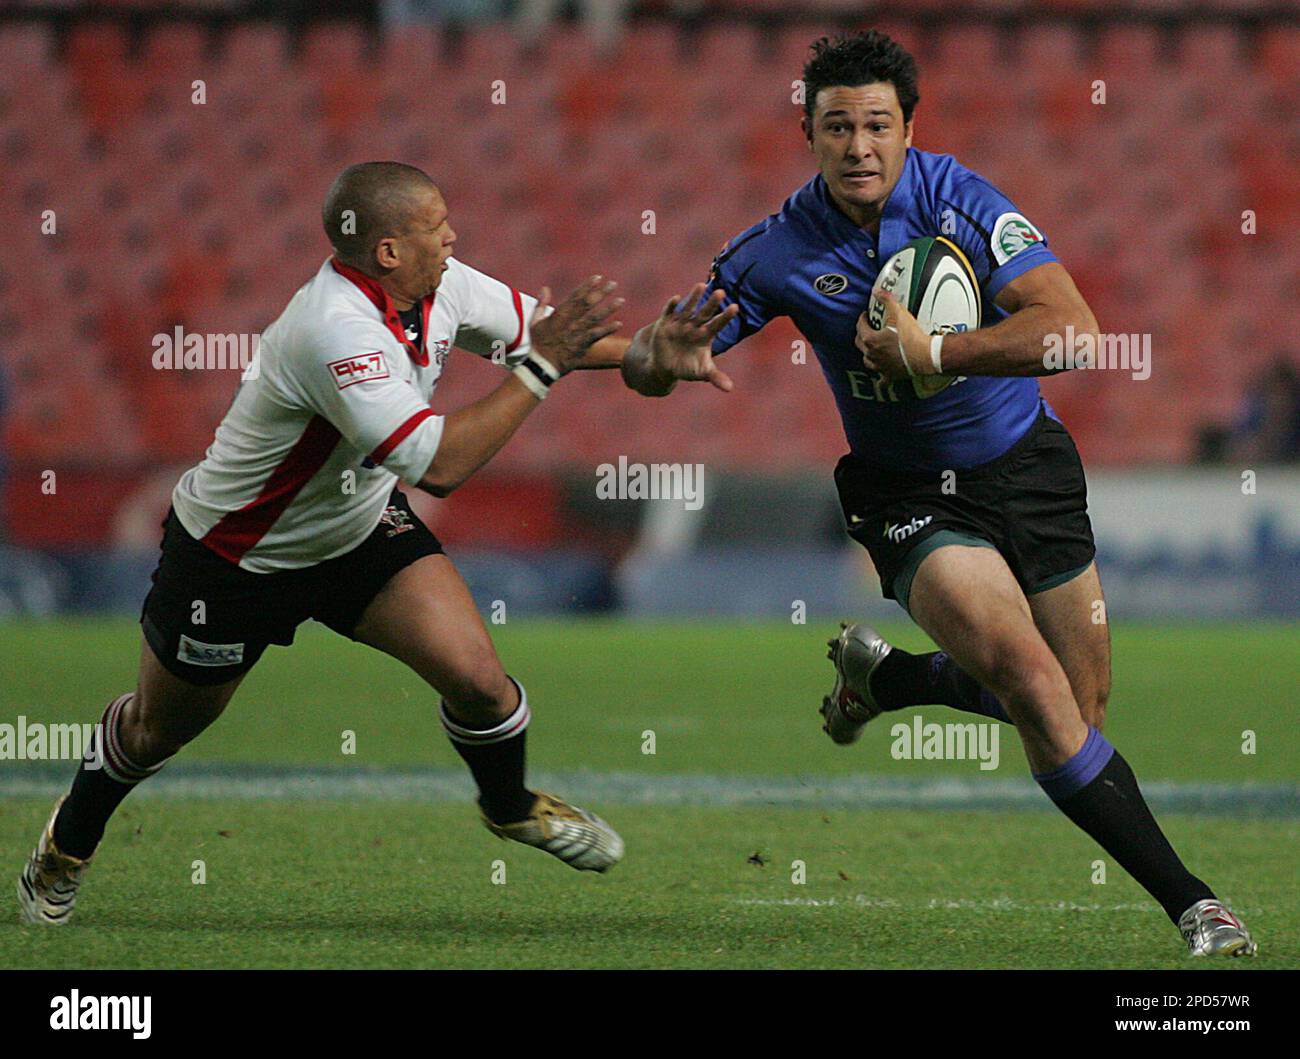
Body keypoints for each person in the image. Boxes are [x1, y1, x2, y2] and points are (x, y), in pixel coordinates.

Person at [617, 31, 1256, 958]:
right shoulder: (776, 248)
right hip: (907, 489)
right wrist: (653, 363)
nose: (859, 146)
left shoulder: (963, 201)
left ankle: (892, 677)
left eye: (878, 124)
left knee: (1079, 707)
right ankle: (1198, 904)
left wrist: (939, 353)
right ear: (808, 132)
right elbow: (656, 355)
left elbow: (1074, 331)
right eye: (837, 126)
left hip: (1027, 467)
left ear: (910, 127)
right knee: (1036, 689)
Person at [17, 160, 719, 924]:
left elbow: (545, 336)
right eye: (436, 224)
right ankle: (65, 847)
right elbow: (441, 464)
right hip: (237, 557)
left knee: (481, 681)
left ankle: (512, 805)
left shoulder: (441, 283)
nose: (453, 235)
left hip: (356, 532)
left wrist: (647, 354)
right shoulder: (333, 328)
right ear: (387, 250)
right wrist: (543, 365)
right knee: (156, 732)